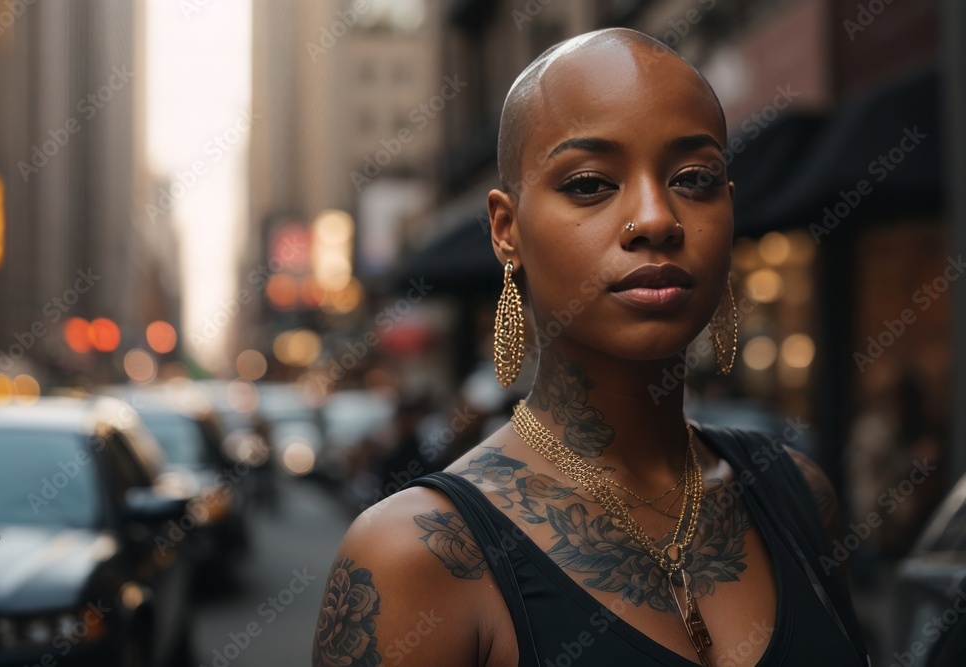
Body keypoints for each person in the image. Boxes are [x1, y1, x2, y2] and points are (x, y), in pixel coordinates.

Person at [312, 28, 869, 666]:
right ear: (506, 229)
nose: (656, 219)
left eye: (695, 179)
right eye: (589, 184)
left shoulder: (800, 496)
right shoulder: (414, 557)